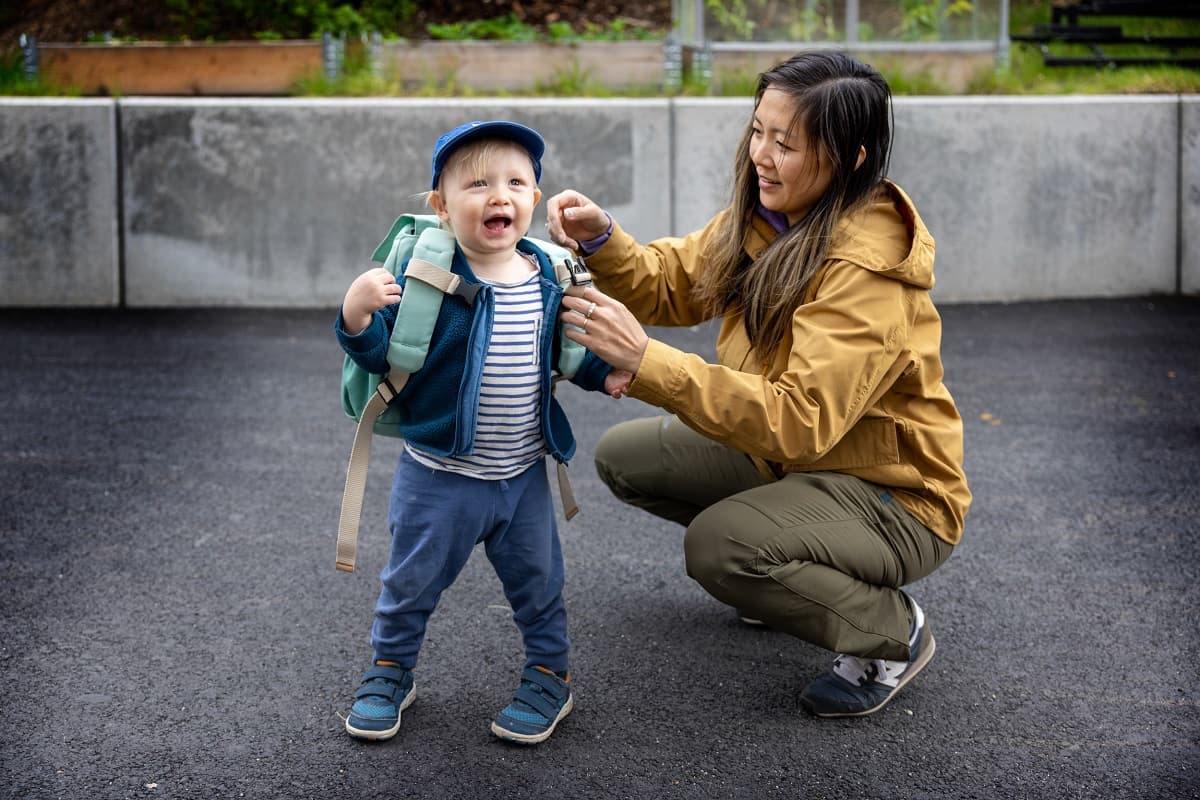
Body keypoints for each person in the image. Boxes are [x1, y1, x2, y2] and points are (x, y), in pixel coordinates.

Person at [545, 52, 971, 718]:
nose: (762, 156)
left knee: (721, 547)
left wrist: (647, 360)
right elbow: (674, 282)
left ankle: (891, 633)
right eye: (757, 131)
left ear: (851, 158)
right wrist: (603, 242)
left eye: (786, 143)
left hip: (894, 497)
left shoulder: (866, 272)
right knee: (627, 460)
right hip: (802, 463)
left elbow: (800, 419)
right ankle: (791, 576)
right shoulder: (770, 218)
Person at [335, 120, 632, 744]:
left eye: (516, 182)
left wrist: (606, 373)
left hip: (521, 475)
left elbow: (569, 348)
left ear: (533, 200)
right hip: (438, 476)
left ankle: (550, 675)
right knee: (409, 583)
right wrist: (356, 314)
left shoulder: (549, 274)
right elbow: (381, 354)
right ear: (442, 207)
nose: (499, 195)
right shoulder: (427, 279)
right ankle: (391, 669)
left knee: (540, 585)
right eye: (477, 184)